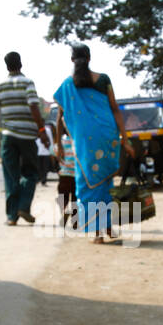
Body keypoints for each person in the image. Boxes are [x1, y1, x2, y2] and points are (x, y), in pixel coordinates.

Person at [53, 44, 137, 243]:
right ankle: (107, 227)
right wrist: (125, 139)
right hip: (107, 136)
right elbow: (115, 109)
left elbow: (59, 118)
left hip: (84, 142)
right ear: (89, 58)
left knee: (87, 184)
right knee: (105, 181)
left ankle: (98, 232)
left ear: (72, 60)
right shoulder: (103, 79)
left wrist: (58, 144)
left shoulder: (67, 85)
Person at [0, 51, 49, 225]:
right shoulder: (27, 83)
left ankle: (11, 217)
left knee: (10, 176)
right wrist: (42, 130)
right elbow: (34, 107)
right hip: (27, 136)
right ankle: (23, 206)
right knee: (30, 173)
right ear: (21, 64)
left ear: (6, 66)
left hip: (8, 136)